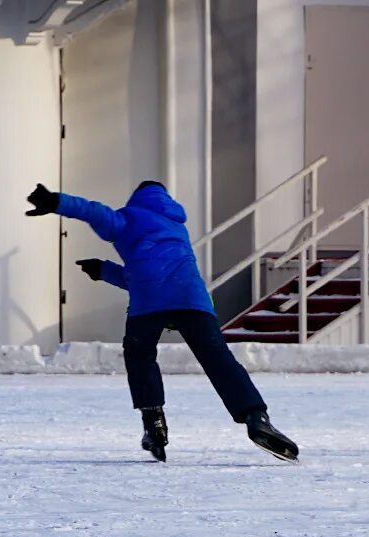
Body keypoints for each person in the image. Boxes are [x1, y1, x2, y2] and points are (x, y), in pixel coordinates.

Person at [27, 180, 298, 462]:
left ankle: (153, 422)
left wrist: (56, 201)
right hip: (191, 295)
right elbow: (152, 271)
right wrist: (104, 270)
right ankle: (257, 417)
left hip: (149, 303)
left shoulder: (127, 218)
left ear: (135, 199)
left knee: (139, 355)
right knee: (218, 359)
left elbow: (95, 212)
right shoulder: (175, 225)